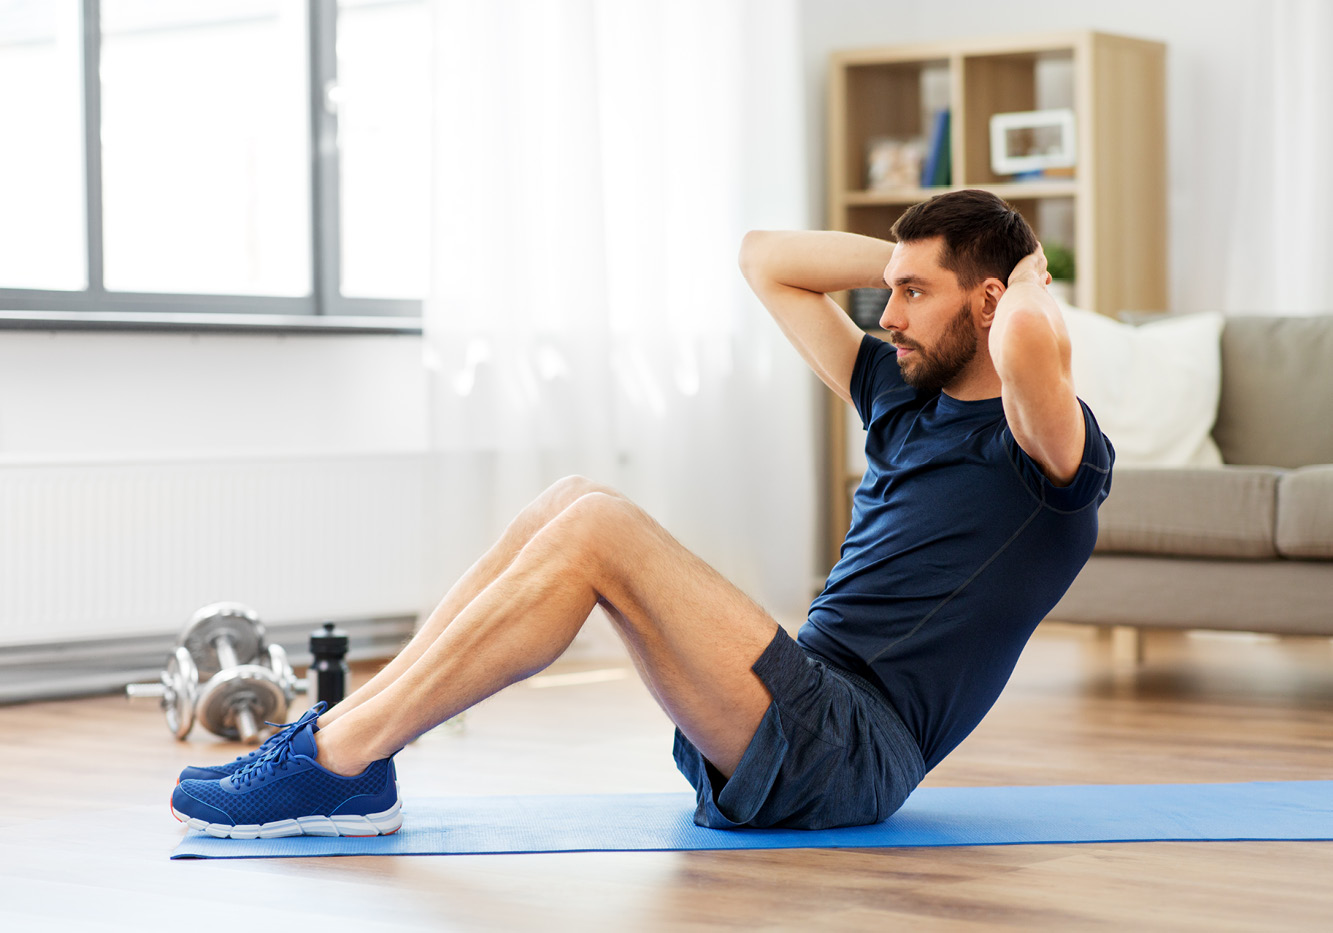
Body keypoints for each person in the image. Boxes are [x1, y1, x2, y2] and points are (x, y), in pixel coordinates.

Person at [171, 188, 1113, 839]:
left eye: (912, 294)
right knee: (572, 500)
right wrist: (919, 259)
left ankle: (338, 764)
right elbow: (765, 258)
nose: (887, 314)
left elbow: (1030, 342)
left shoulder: (1043, 450)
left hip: (850, 751)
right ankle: (343, 739)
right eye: (891, 291)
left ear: (989, 303)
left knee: (601, 530)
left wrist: (1020, 274)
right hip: (780, 714)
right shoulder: (903, 395)